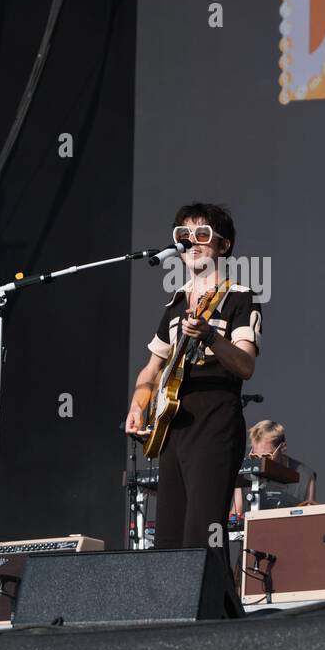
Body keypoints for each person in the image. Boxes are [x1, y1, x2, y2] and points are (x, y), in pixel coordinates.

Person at [125, 203, 262, 549]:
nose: (191, 243)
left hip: (215, 422)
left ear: (224, 245)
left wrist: (211, 336)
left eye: (202, 235)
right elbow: (152, 367)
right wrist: (138, 406)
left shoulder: (240, 298)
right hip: (174, 427)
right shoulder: (174, 304)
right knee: (168, 542)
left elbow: (246, 365)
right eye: (183, 236)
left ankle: (216, 605)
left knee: (204, 538)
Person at [232, 419, 317, 516]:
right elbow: (236, 513)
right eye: (255, 457)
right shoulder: (244, 470)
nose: (261, 461)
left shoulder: (305, 476)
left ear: (283, 447)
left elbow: (310, 517)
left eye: (267, 456)